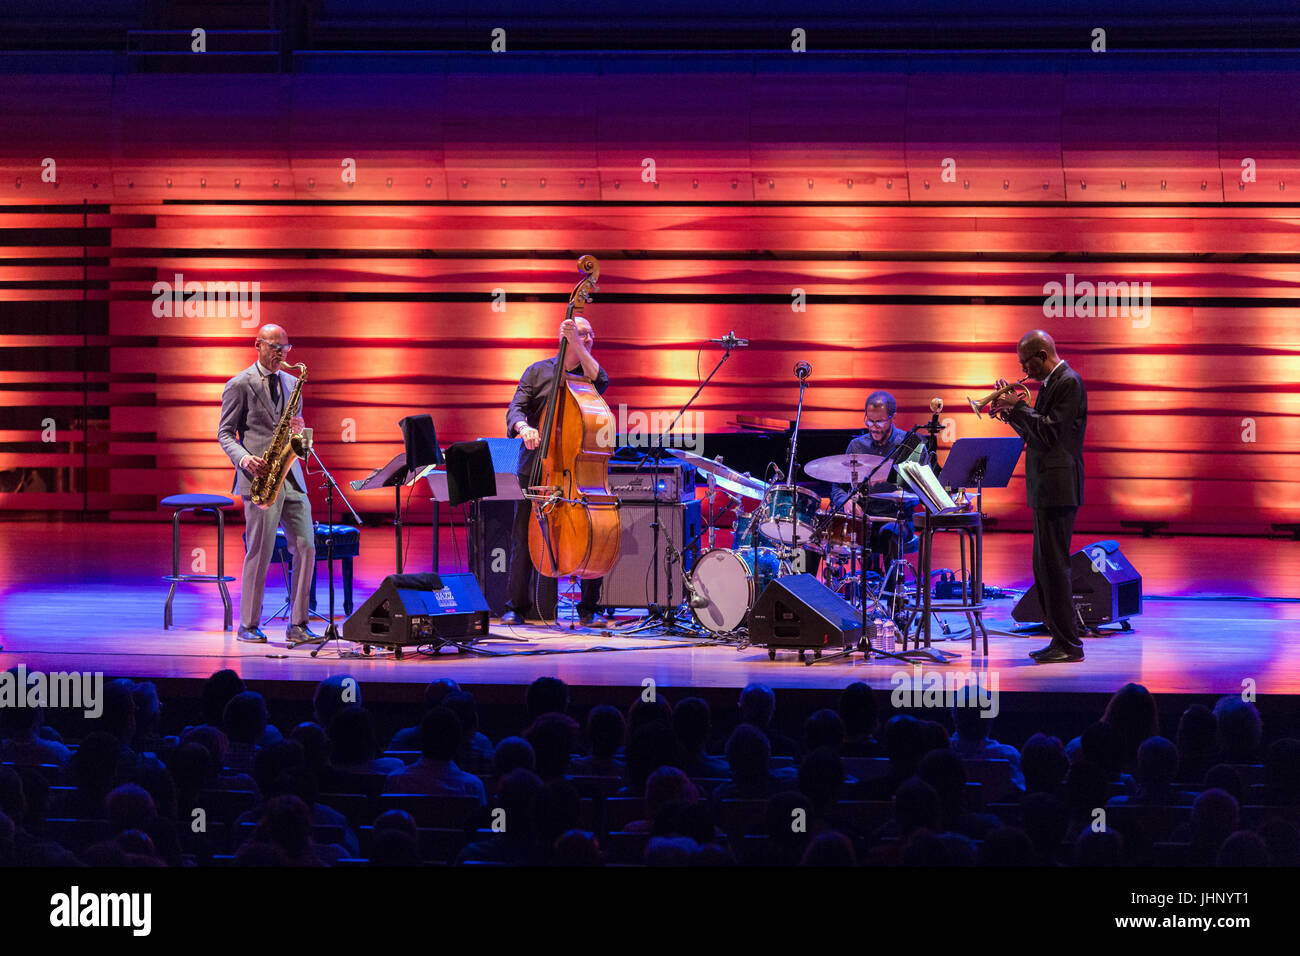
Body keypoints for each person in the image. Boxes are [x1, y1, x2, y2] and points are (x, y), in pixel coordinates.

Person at [502, 316, 611, 627]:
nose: (589, 338)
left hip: (578, 471)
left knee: (591, 531)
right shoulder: (537, 371)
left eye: (591, 334)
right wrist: (524, 428)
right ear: (563, 334)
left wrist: (576, 344)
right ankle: (517, 606)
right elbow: (516, 409)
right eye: (582, 334)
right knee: (523, 537)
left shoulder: (588, 375)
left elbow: (601, 381)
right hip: (537, 464)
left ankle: (589, 609)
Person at [990, 330, 1088, 663]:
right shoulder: (1050, 385)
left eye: (1026, 363)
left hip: (1059, 488)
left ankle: (1070, 644)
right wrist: (1009, 413)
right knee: (1043, 568)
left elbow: (1049, 432)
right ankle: (1058, 638)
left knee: (1055, 567)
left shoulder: (1068, 382)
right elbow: (1036, 434)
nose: (1024, 370)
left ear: (1043, 355)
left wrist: (1018, 407)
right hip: (1045, 487)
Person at [218, 323, 318, 645]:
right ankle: (248, 625)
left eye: (285, 349)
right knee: (259, 553)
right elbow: (224, 434)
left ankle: (298, 624)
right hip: (259, 479)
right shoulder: (239, 384)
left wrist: (299, 432)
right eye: (275, 348)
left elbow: (296, 437)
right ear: (258, 345)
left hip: (291, 477)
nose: (281, 354)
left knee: (306, 547)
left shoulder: (292, 381)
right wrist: (245, 459)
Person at [828, 390, 928, 574]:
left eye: (879, 422)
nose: (873, 427)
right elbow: (837, 487)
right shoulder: (857, 446)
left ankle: (893, 596)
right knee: (822, 532)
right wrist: (847, 502)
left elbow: (923, 489)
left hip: (898, 520)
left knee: (889, 534)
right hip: (863, 519)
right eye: (869, 421)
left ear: (892, 417)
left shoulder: (909, 444)